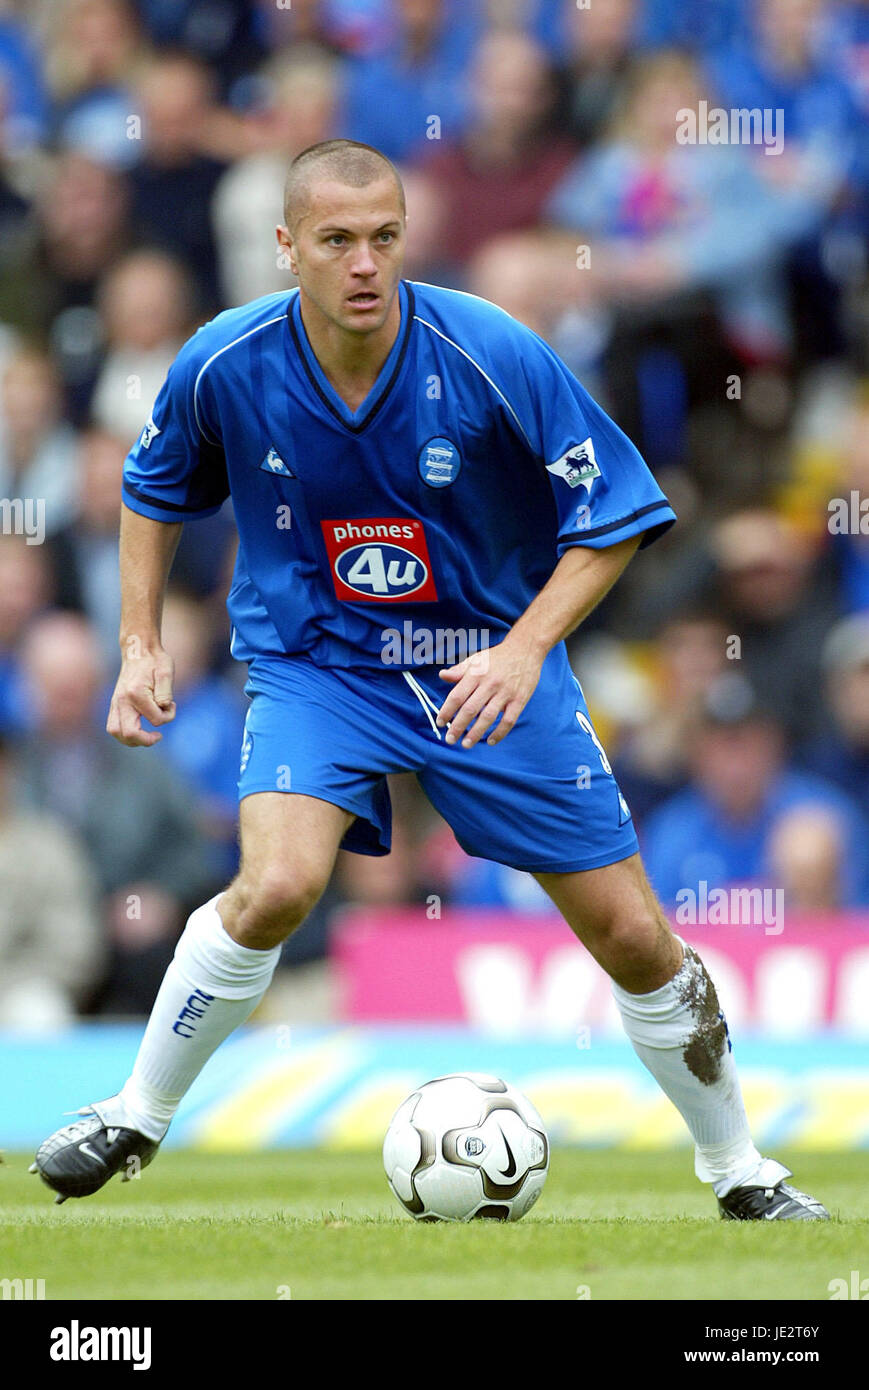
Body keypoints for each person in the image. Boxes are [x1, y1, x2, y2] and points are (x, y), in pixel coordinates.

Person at [32, 138, 827, 1221]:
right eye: (337, 241)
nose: (365, 264)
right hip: (320, 665)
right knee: (272, 885)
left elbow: (615, 518)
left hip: (485, 666)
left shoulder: (491, 349)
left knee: (635, 937)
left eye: (384, 239)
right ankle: (135, 1112)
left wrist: (524, 647)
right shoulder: (226, 359)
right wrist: (138, 638)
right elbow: (150, 484)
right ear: (286, 248)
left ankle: (739, 1169)